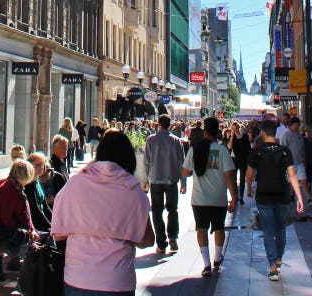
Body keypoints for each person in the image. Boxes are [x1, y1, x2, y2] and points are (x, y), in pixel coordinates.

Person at [52, 129, 154, 296]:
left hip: (78, 278)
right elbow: (147, 240)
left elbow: (58, 234)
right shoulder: (133, 191)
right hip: (117, 281)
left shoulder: (75, 184)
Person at [246, 118, 305, 282]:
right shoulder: (285, 151)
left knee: (268, 230)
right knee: (281, 229)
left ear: (263, 133)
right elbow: (292, 175)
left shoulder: (257, 151)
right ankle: (279, 258)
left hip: (264, 195)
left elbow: (249, 173)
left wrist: (248, 187)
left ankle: (272, 265)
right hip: (282, 195)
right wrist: (299, 197)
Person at [181, 116, 237, 277]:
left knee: (201, 228)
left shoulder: (194, 149)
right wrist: (233, 197)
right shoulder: (222, 150)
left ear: (205, 132)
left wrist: (193, 170)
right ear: (217, 132)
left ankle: (206, 264)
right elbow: (228, 176)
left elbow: (185, 172)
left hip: (199, 198)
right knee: (219, 227)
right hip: (219, 198)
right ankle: (217, 258)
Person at [143, 114, 185, 254]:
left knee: (156, 211)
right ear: (170, 124)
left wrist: (145, 180)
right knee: (173, 209)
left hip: (155, 179)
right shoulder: (176, 140)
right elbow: (181, 163)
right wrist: (183, 182)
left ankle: (161, 243)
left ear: (158, 124)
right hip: (171, 179)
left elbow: (146, 161)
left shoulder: (151, 140)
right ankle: (173, 237)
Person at [0, 159, 39, 258]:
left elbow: (26, 215)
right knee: (35, 246)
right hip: (2, 232)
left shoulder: (17, 188)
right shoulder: (9, 189)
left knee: (43, 239)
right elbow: (6, 219)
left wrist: (31, 229)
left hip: (12, 229)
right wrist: (27, 231)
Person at [281, 116, 312, 207]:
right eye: (297, 124)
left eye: (299, 124)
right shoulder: (286, 135)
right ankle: (290, 194)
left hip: (299, 162)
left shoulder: (299, 135)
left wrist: (304, 160)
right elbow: (283, 148)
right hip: (290, 164)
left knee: (303, 180)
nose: (298, 126)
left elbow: (302, 149)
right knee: (291, 181)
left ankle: (309, 198)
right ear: (292, 125)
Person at [24, 154, 53, 232]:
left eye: (42, 164)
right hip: (35, 224)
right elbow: (35, 209)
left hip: (43, 221)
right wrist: (50, 226)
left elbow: (45, 206)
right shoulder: (28, 185)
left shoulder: (38, 182)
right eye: (37, 165)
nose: (40, 167)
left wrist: (55, 221)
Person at [227, 121, 250, 205]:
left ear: (238, 127)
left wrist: (248, 160)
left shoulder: (244, 136)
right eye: (233, 127)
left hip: (243, 159)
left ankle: (241, 196)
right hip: (234, 159)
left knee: (242, 178)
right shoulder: (231, 136)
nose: (235, 129)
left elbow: (248, 149)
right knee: (234, 178)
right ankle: (236, 195)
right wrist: (232, 136)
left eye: (236, 127)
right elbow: (229, 146)